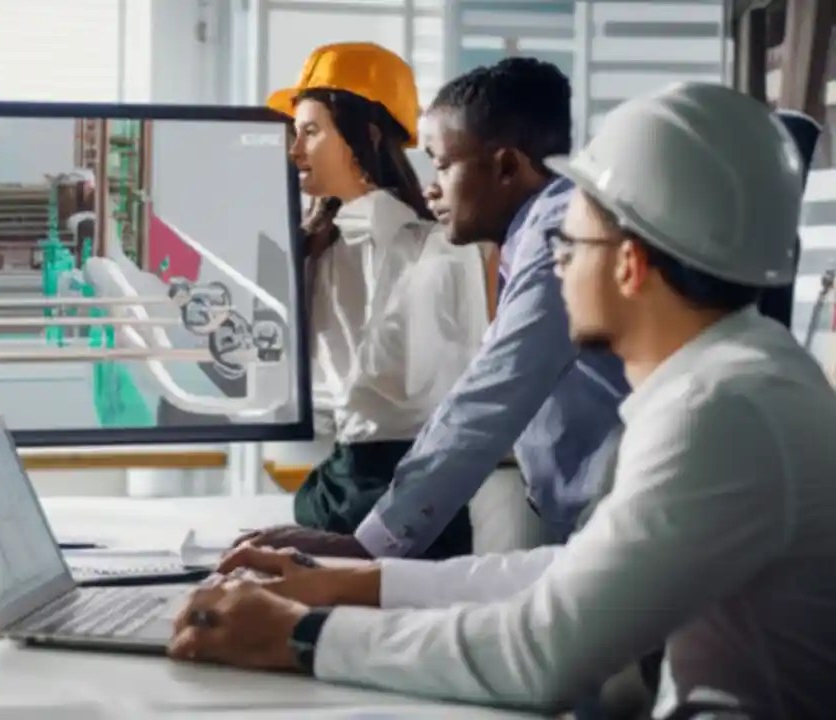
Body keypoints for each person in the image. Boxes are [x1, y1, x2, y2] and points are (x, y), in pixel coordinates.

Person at [169, 81, 836, 718]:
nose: (554, 268)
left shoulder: (720, 412)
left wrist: (298, 634)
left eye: (568, 245)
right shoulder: (733, 383)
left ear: (630, 265)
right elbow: (578, 575)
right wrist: (351, 582)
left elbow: (540, 654)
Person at [238, 57, 629, 558]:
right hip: (580, 515)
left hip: (614, 520)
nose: (432, 185)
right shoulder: (529, 237)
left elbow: (485, 398)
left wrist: (370, 548)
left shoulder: (557, 238)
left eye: (443, 164)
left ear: (506, 166)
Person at [266, 42, 489, 557]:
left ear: (365, 136)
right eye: (294, 134)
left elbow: (428, 387)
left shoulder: (435, 249)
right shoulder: (321, 246)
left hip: (405, 494)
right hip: (345, 484)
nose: (295, 151)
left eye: (311, 131)